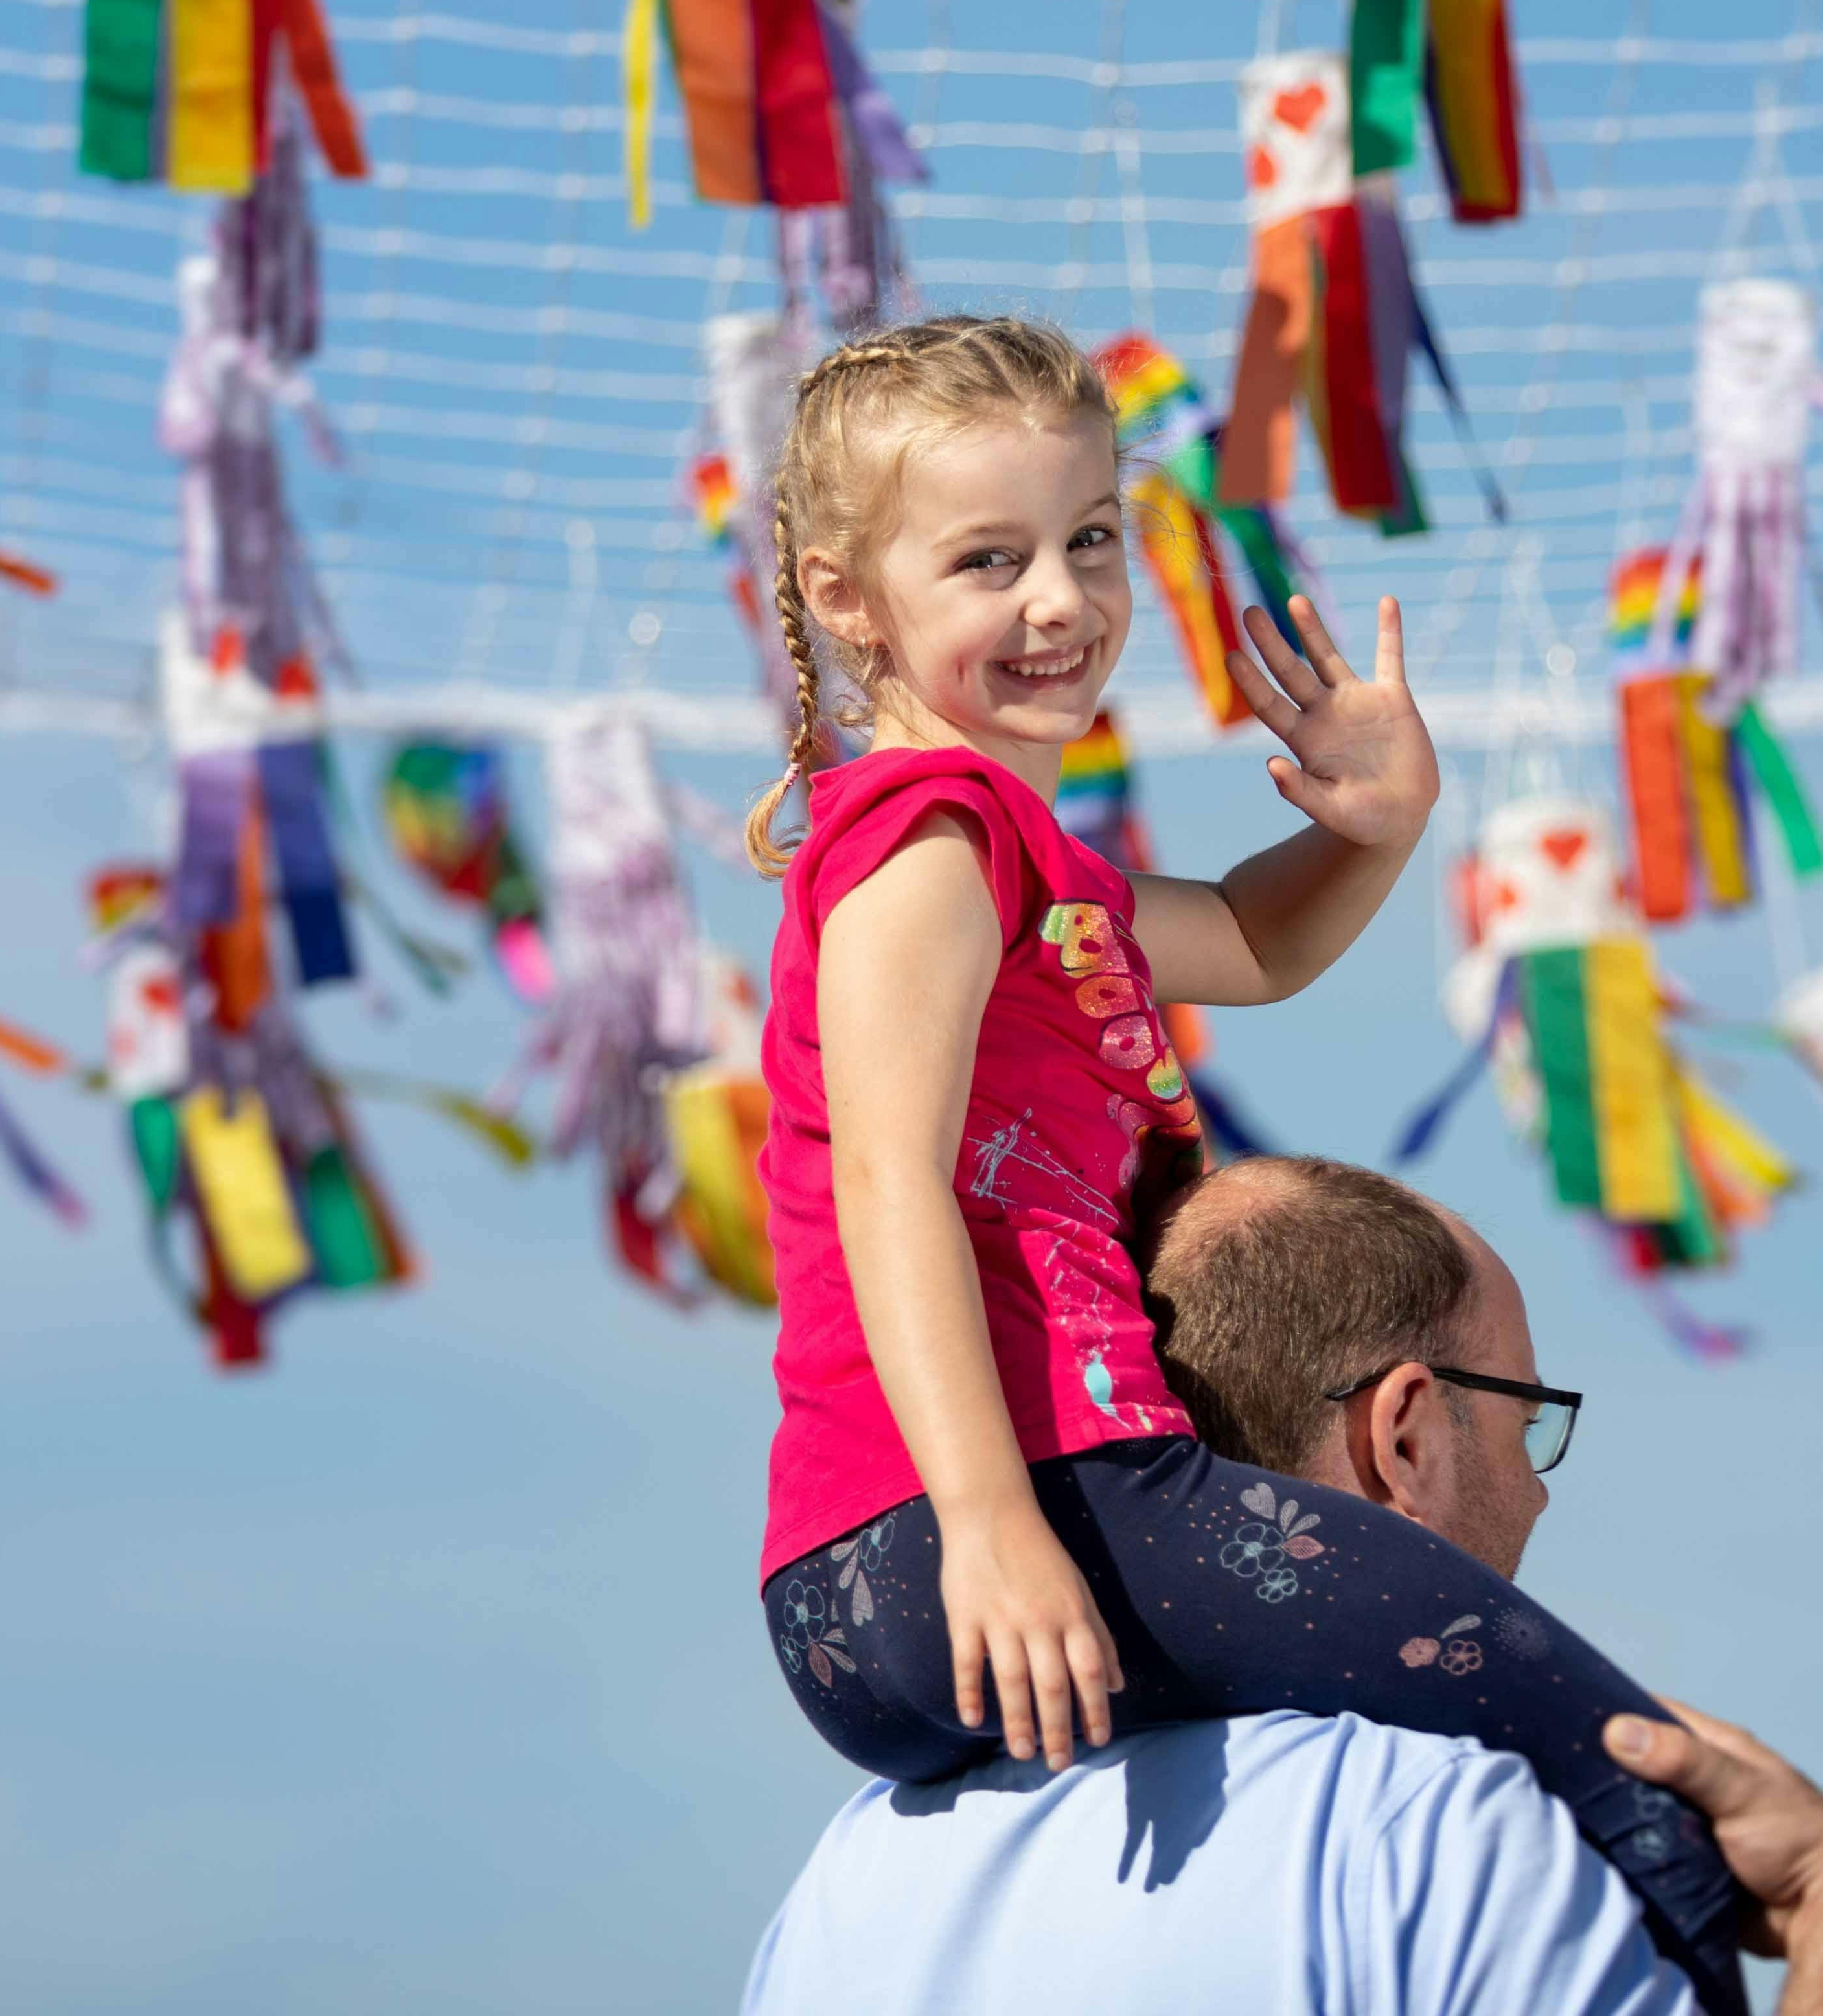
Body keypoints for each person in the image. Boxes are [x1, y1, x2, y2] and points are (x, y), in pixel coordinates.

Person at [742, 317, 1752, 2008]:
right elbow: (885, 1185)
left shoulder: (1039, 866)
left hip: (936, 1565)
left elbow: (1262, 947)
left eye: (1086, 541)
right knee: (1557, 1704)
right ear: (851, 600)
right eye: (987, 561)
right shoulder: (923, 846)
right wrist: (992, 1523)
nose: (1056, 600)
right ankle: (1735, 1941)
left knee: (1382, 1710)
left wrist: (1374, 827)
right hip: (972, 1521)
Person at [742, 1154, 1823, 2016]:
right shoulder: (1436, 1834)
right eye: (1526, 1421)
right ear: (1406, 1435)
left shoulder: (853, 1884)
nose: (1541, 1490)